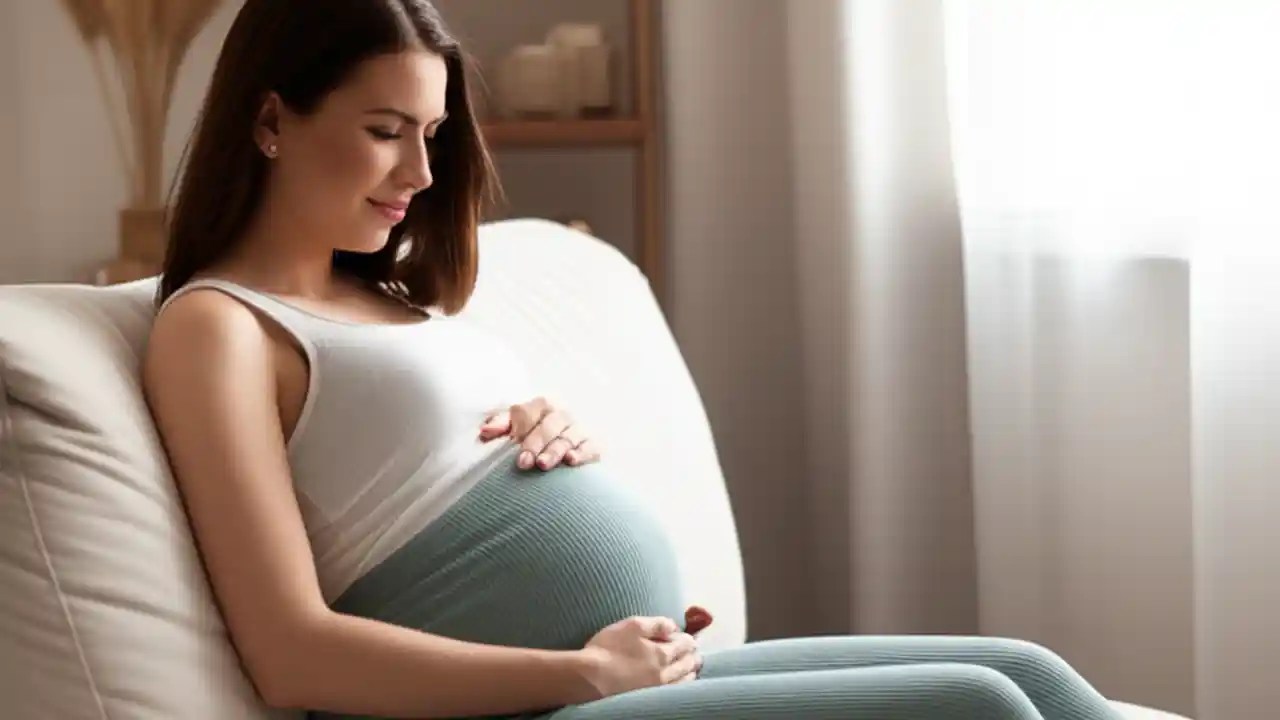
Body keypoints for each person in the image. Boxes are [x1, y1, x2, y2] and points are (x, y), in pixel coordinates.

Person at [142, 1, 1123, 719]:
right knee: (974, 707)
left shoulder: (385, 294)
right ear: (270, 123)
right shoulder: (218, 329)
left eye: (433, 135)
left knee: (1030, 675)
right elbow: (290, 655)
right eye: (384, 133)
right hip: (535, 705)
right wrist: (582, 673)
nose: (422, 174)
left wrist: (542, 426)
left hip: (627, 679)